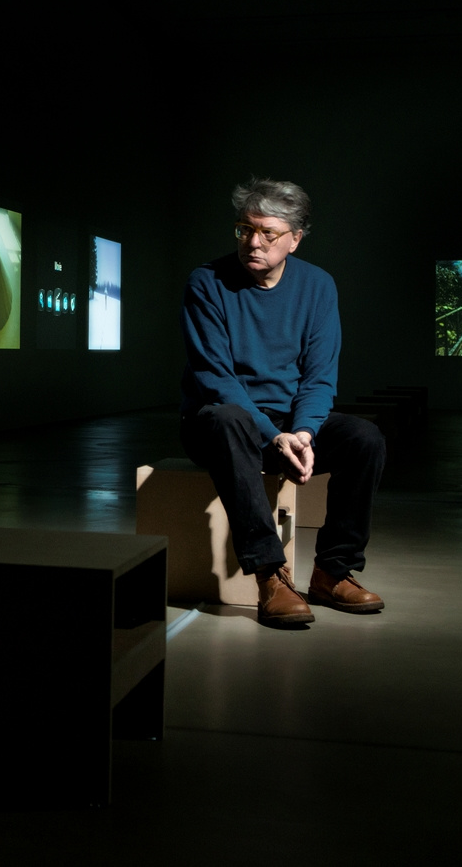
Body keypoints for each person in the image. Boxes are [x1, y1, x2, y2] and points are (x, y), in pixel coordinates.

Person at [178, 178, 386, 627]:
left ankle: (332, 574)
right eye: (244, 230)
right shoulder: (206, 282)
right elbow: (216, 379)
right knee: (228, 416)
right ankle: (270, 573)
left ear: (295, 238)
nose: (253, 242)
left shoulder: (318, 286)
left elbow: (319, 376)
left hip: (287, 426)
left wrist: (305, 432)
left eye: (268, 233)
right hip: (219, 426)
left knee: (364, 438)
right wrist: (275, 438)